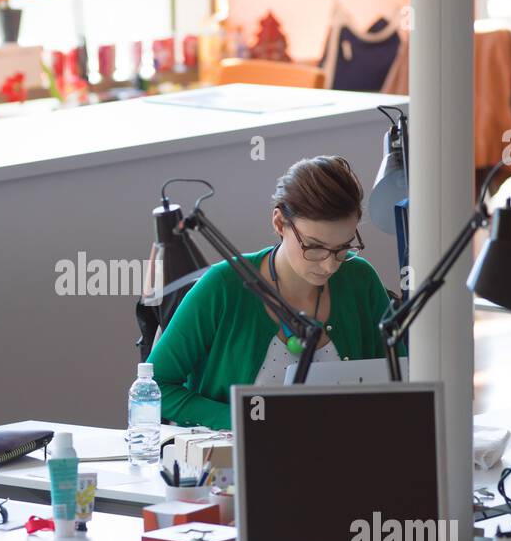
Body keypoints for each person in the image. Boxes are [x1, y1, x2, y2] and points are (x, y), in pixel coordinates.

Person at [147, 155, 397, 430]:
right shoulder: (222, 287)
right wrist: (242, 421)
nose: (329, 264)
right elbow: (154, 387)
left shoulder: (360, 280)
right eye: (314, 247)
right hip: (239, 463)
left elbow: (400, 380)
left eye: (342, 247)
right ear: (279, 223)